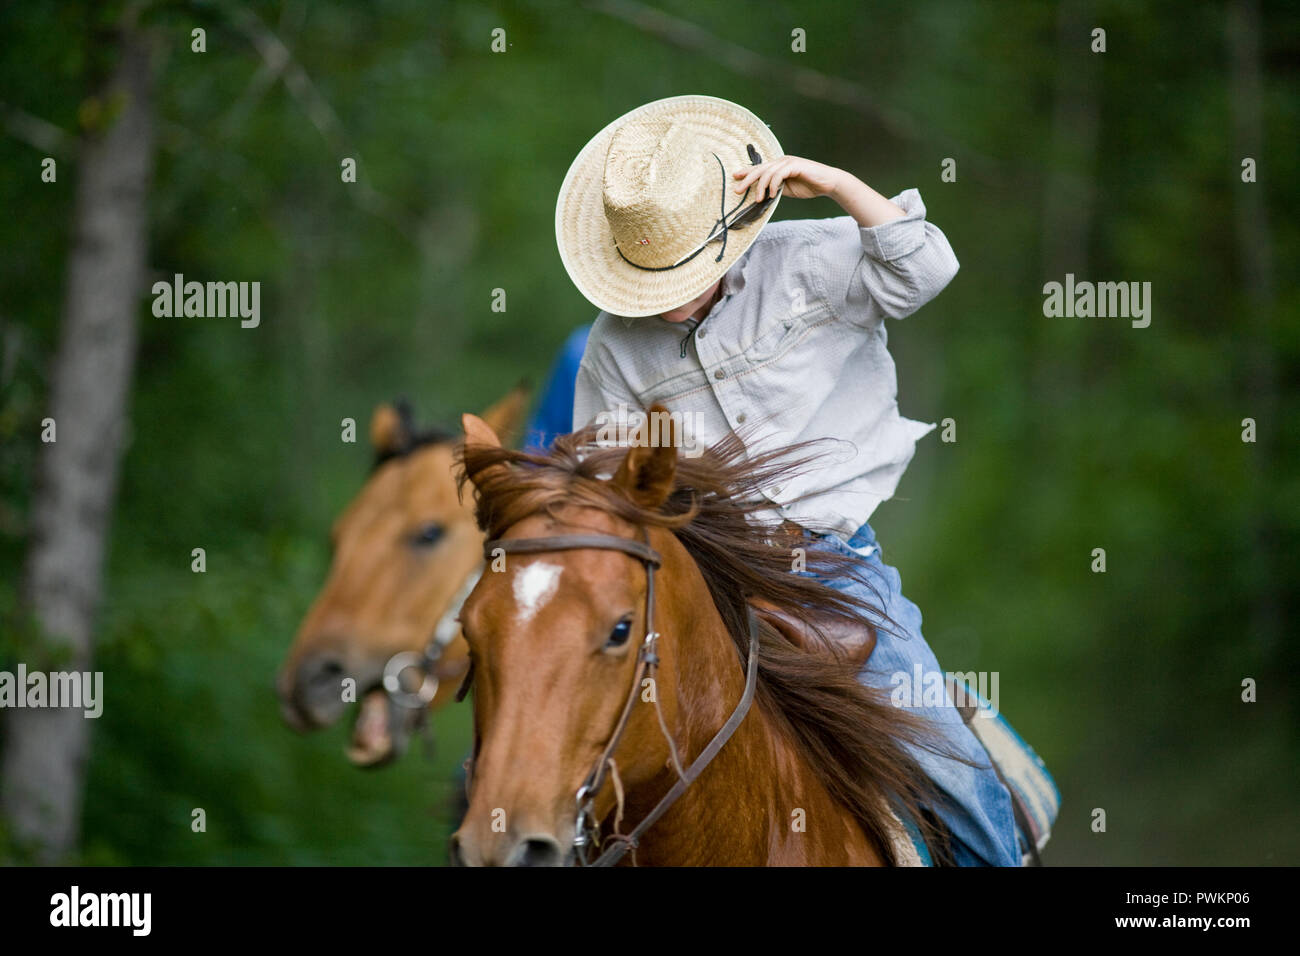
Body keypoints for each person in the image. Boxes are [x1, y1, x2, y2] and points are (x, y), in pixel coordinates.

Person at [557, 95, 1021, 866]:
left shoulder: (809, 260)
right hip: (698, 573)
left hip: (831, 567)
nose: (669, 297)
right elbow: (606, 477)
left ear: (720, 233)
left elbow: (926, 269)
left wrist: (838, 183)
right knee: (565, 722)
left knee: (945, 756)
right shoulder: (613, 347)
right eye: (650, 276)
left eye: (682, 269)